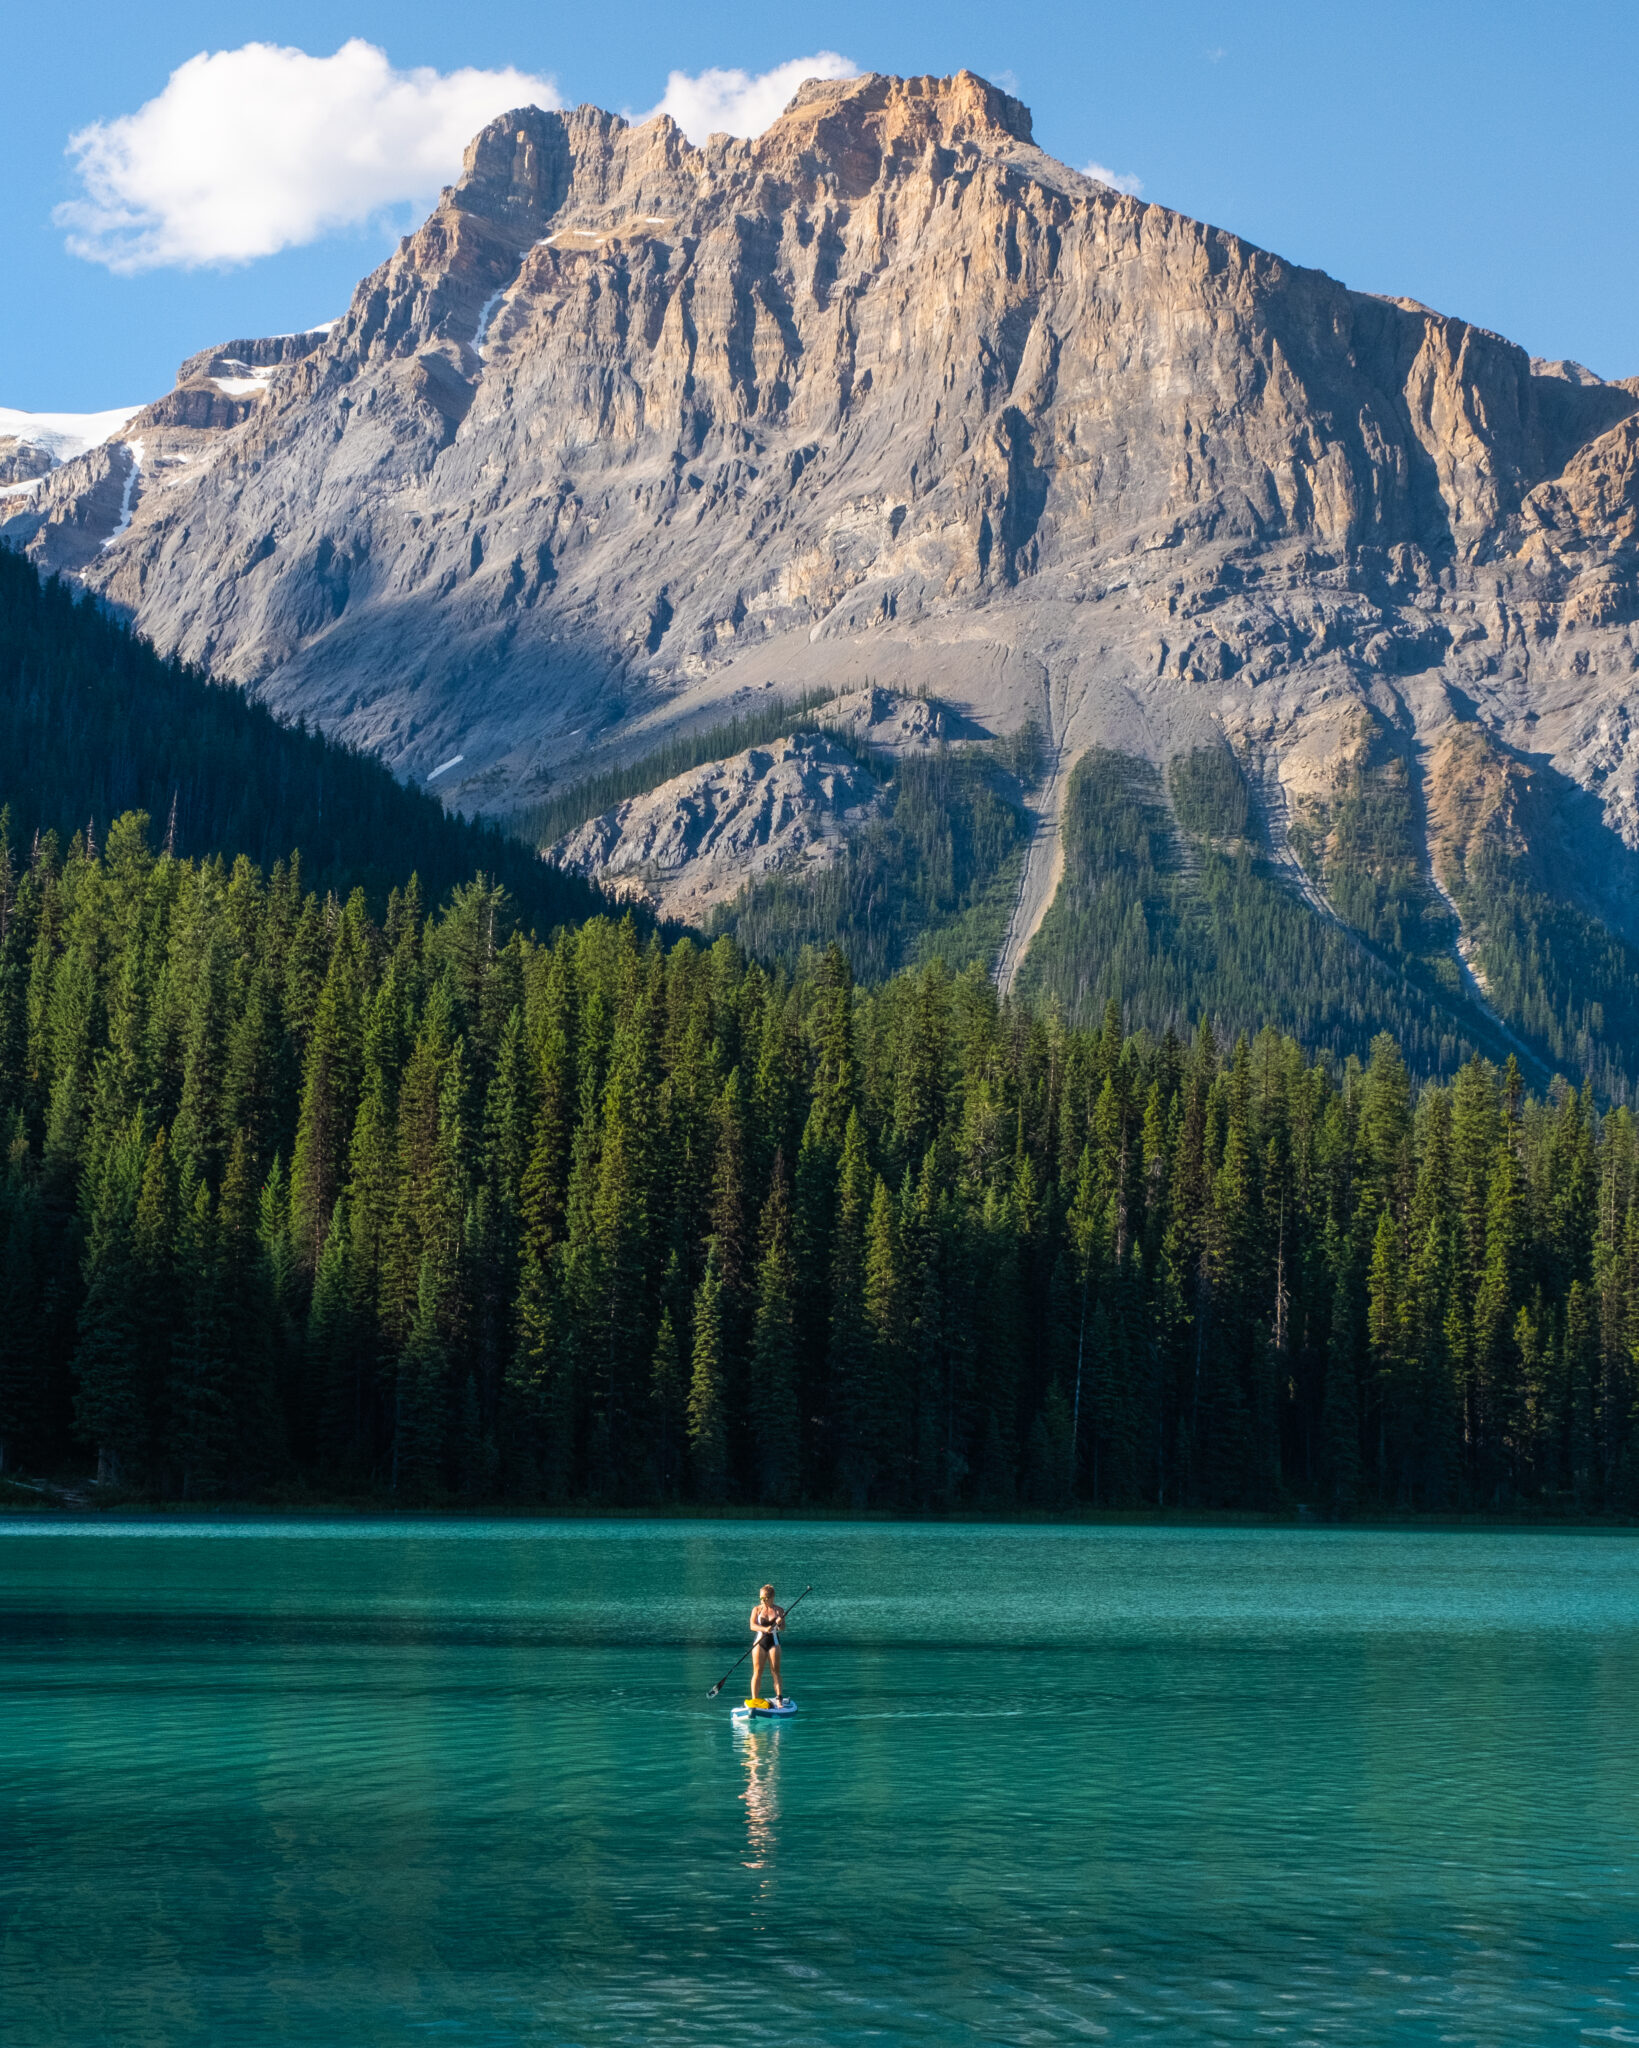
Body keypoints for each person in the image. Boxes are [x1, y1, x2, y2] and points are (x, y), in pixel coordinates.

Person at [749, 1584, 787, 1703]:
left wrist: (779, 1623)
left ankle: (779, 1699)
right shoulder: (757, 1609)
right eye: (761, 1598)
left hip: (774, 1643)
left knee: (775, 1672)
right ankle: (754, 1700)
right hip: (759, 1643)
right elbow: (752, 1626)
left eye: (765, 1599)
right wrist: (765, 1629)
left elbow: (783, 1628)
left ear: (772, 1598)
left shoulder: (779, 1610)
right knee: (757, 1671)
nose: (762, 1601)